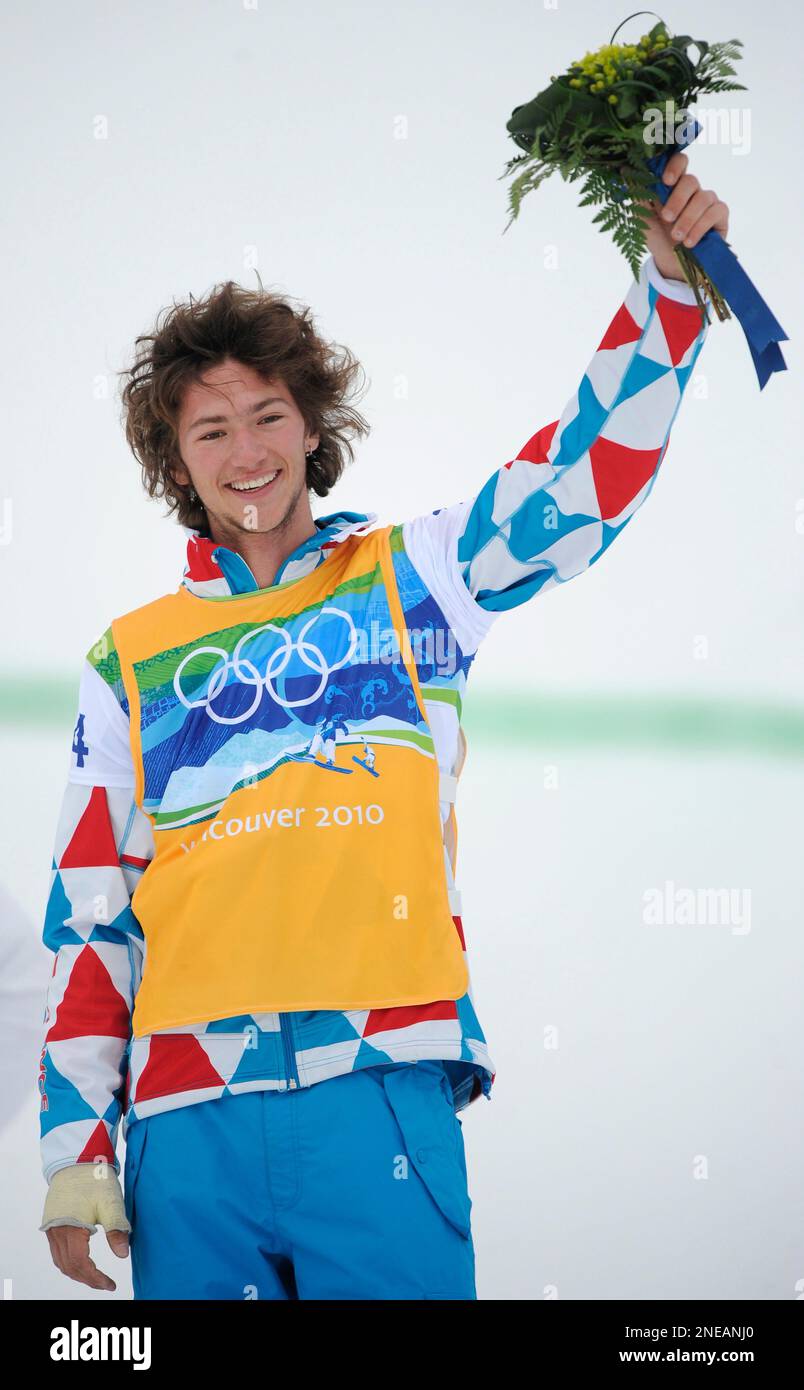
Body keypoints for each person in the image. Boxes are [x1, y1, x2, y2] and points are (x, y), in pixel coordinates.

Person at [38, 154, 728, 1299]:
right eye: (210, 432)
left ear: (314, 427)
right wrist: (76, 1151)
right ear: (175, 462)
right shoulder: (130, 656)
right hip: (184, 1126)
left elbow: (582, 481)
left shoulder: (418, 582)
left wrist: (664, 289)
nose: (246, 450)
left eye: (269, 415)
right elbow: (91, 909)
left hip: (380, 1092)